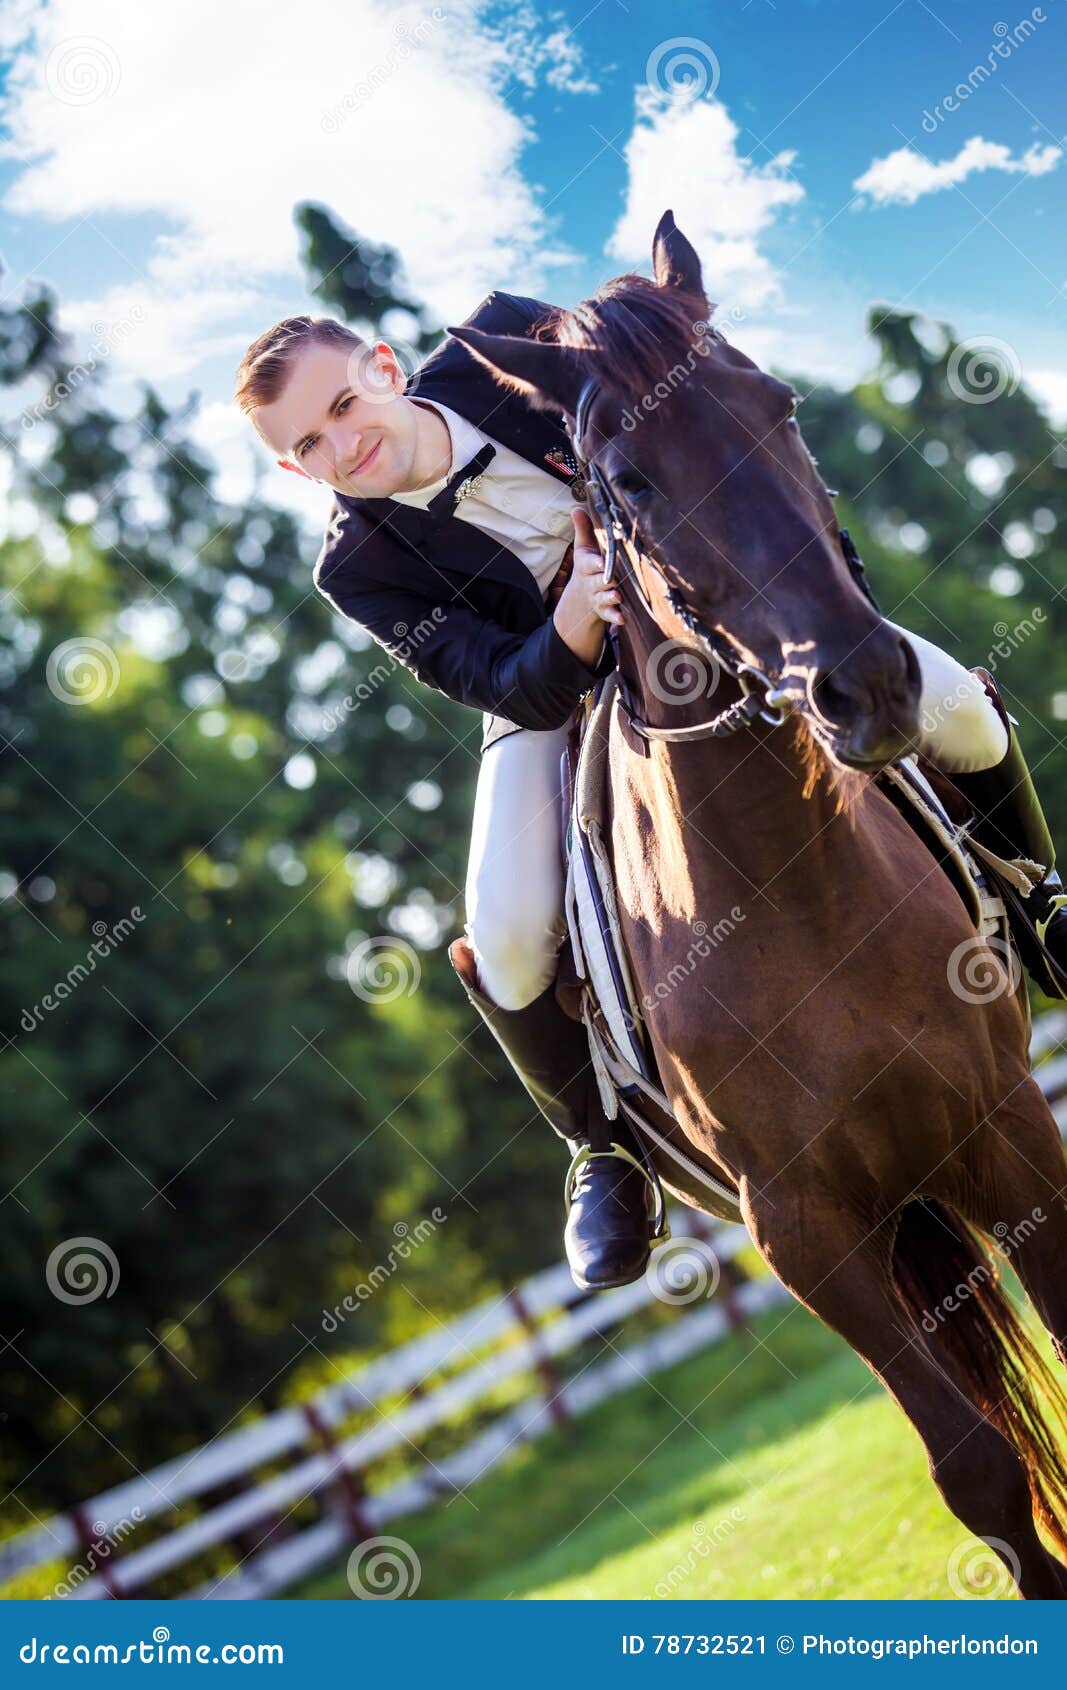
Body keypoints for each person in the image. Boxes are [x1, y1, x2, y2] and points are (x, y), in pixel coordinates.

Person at [234, 290, 1067, 1291]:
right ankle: (604, 1149)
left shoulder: (504, 341)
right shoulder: (354, 567)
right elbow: (494, 681)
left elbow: (685, 410)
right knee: (501, 928)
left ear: (380, 364)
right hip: (555, 700)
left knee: (959, 711)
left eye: (339, 404)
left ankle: (1031, 896)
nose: (341, 443)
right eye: (309, 444)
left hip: (722, 609)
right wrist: (577, 622)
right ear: (293, 469)